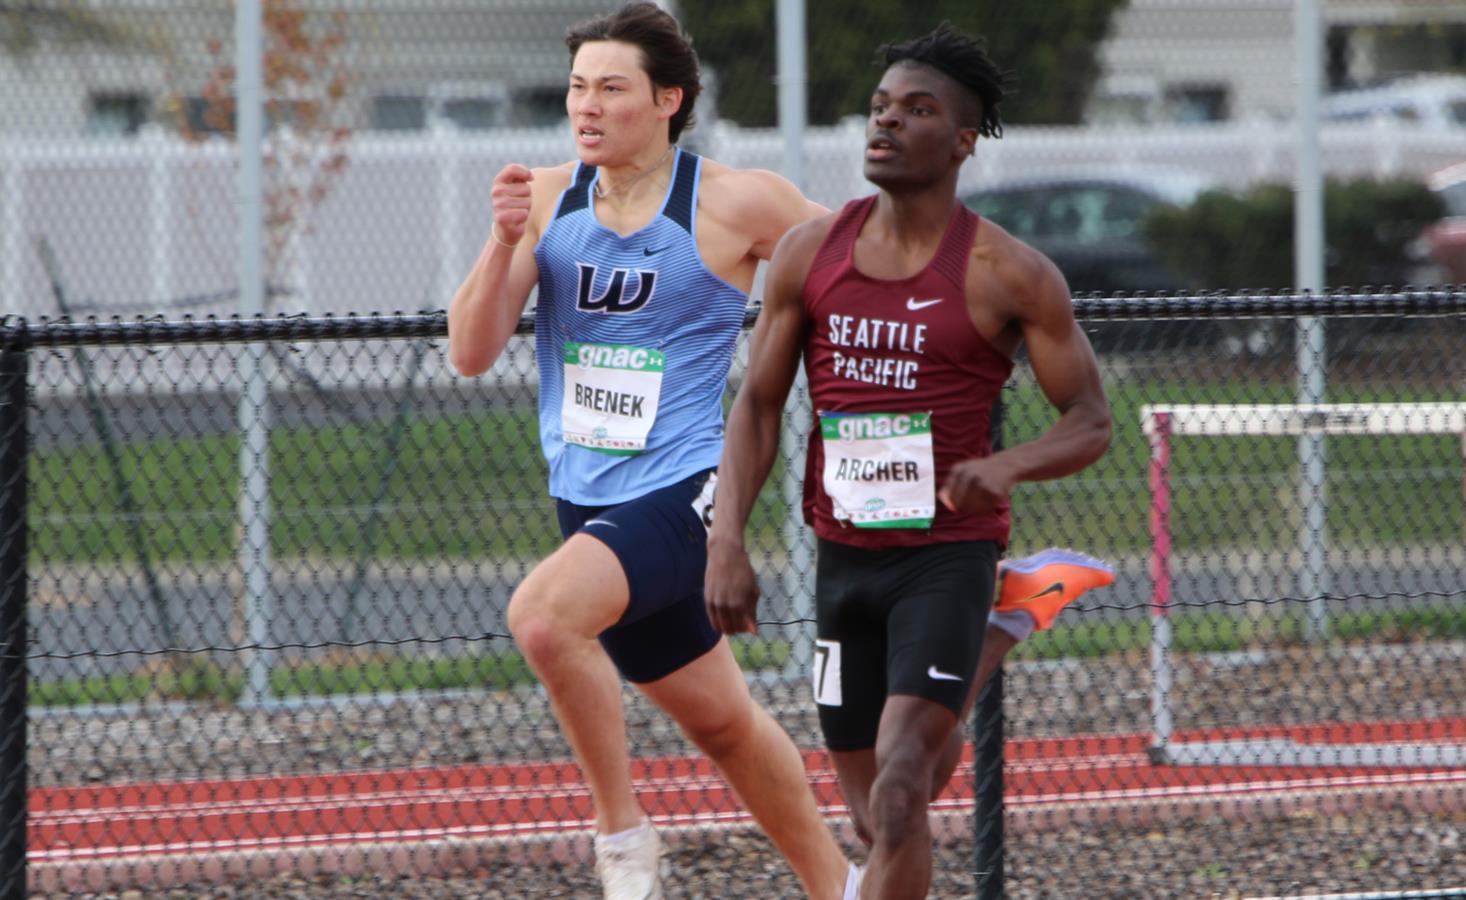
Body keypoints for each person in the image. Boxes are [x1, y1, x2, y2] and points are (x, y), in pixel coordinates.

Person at [445, 4, 860, 899]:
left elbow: (864, 263)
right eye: (577, 87)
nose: (586, 107)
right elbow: (472, 352)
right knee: (725, 725)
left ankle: (621, 836)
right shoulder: (551, 197)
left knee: (546, 619)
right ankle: (845, 889)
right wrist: (504, 239)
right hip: (587, 493)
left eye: (611, 89)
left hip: (686, 490)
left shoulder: (735, 201)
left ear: (668, 99)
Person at [704, 23, 1114, 900]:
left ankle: (984, 621)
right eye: (881, 107)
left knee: (896, 796)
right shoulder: (811, 253)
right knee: (885, 808)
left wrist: (1006, 469)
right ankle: (999, 634)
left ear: (963, 140)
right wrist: (726, 540)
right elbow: (760, 404)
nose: (885, 124)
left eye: (917, 111)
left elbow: (1088, 420)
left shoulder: (1009, 271)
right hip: (843, 559)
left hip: (946, 554)